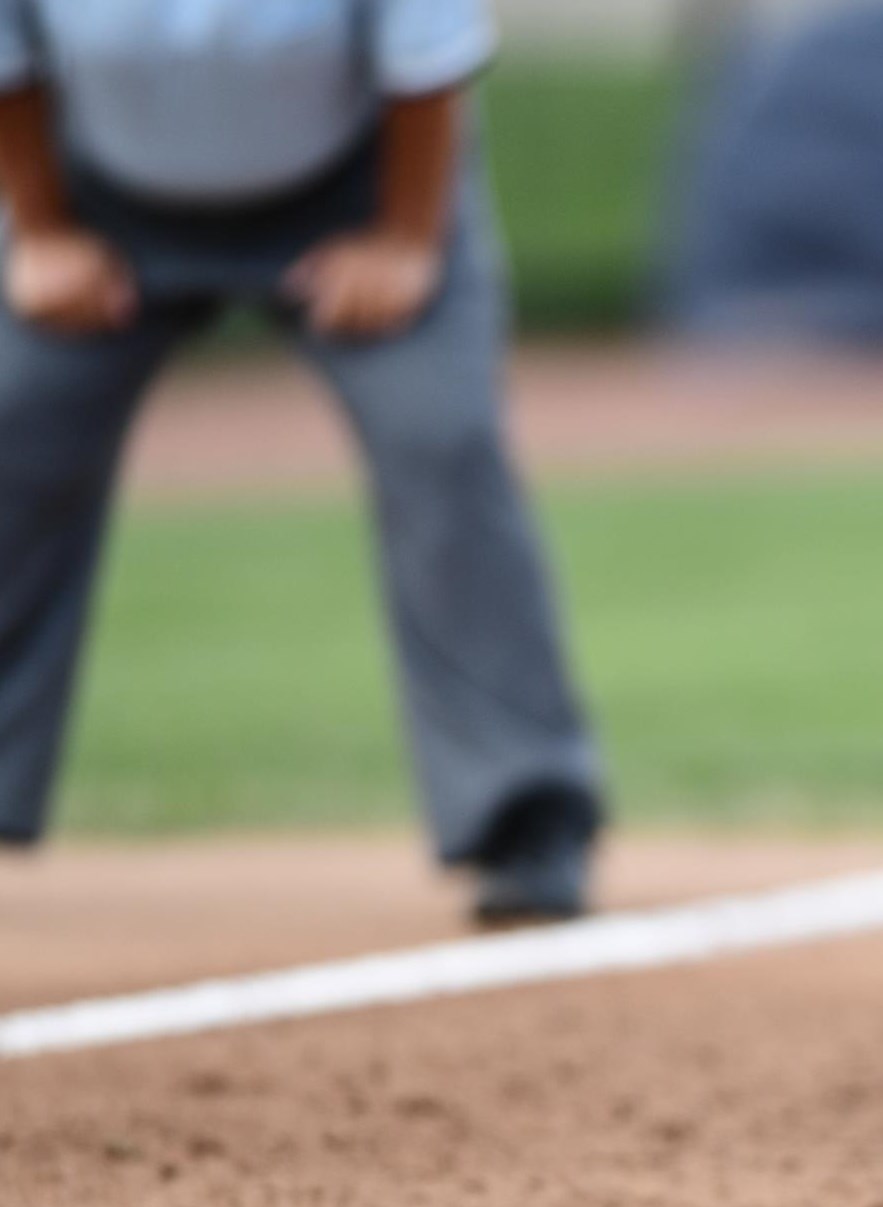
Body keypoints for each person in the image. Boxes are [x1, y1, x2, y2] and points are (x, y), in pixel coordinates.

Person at [0, 0, 603, 922]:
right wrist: (41, 230)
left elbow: (427, 65)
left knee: (443, 440)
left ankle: (528, 816)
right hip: (97, 187)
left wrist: (404, 242)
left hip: (362, 181)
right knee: (15, 433)